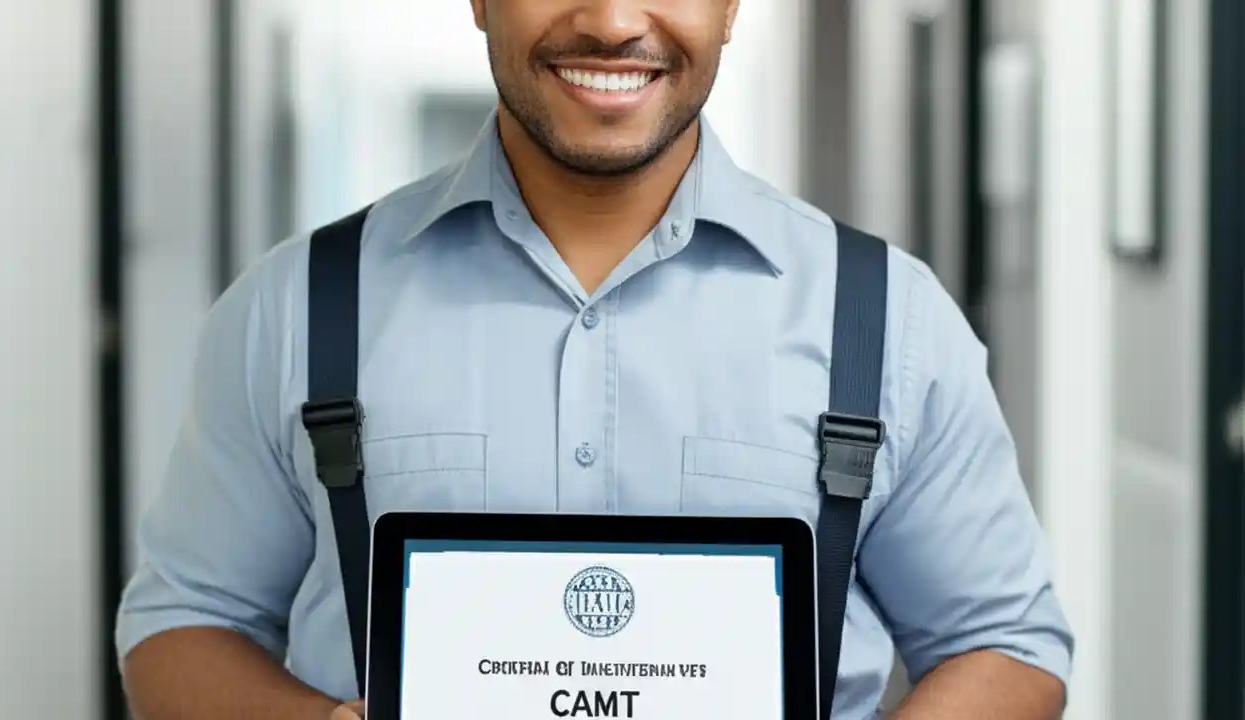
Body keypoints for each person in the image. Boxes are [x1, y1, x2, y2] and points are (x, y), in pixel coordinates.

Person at [116, 1, 1073, 718]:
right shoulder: (296, 307)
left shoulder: (889, 320)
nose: (613, 23)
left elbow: (1005, 645)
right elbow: (178, 630)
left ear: (733, 5)